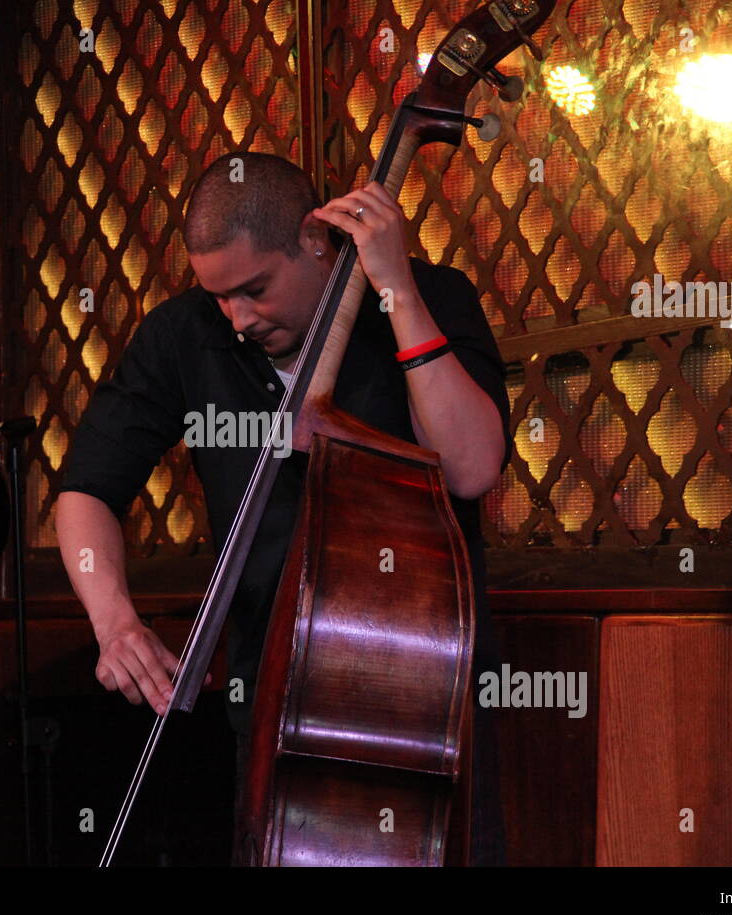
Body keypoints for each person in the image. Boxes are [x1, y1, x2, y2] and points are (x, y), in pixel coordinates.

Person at [56, 151, 512, 864]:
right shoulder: (184, 336)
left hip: (421, 711)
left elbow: (473, 467)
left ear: (312, 237)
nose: (237, 319)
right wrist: (113, 620)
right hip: (269, 707)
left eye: (255, 290)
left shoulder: (433, 296)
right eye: (219, 298)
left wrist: (394, 287)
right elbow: (86, 490)